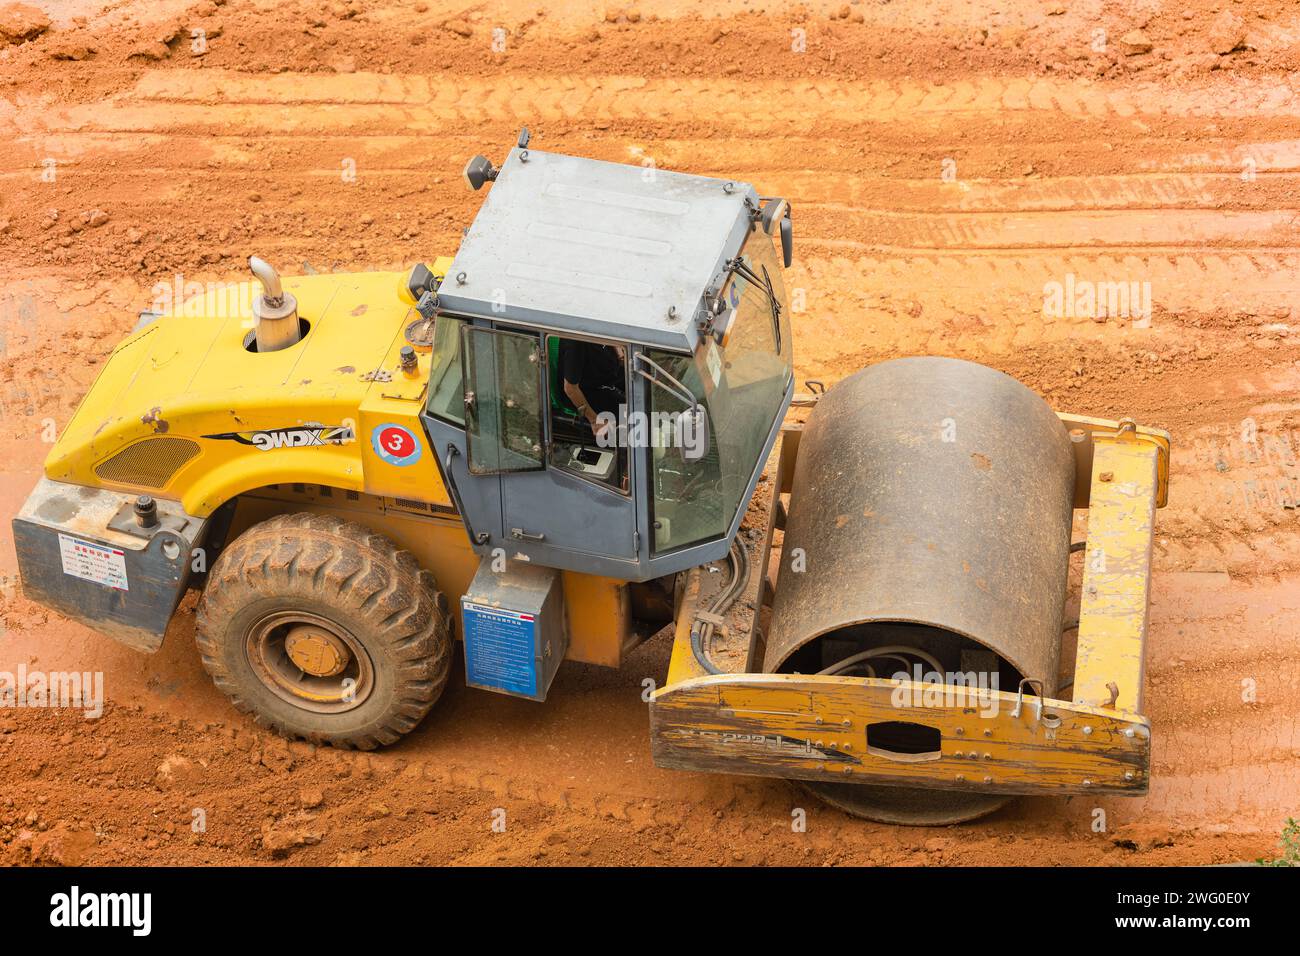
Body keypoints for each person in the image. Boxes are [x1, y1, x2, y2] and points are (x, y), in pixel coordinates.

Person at [559, 338, 625, 443]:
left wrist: (616, 347)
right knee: (635, 416)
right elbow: (570, 388)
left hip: (608, 372)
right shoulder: (575, 342)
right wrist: (594, 420)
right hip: (588, 394)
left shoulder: (600, 324)